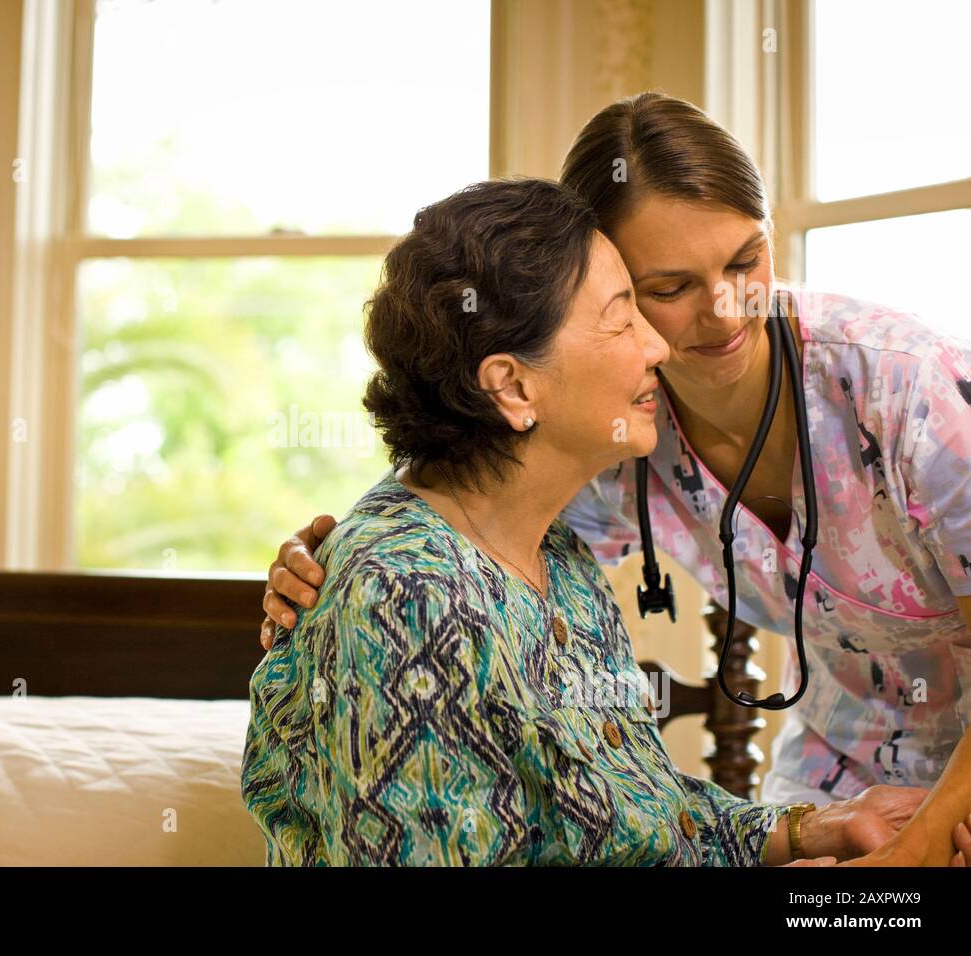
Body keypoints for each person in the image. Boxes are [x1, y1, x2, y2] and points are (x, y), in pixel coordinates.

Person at [259, 93, 971, 866]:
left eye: (745, 259)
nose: (729, 312)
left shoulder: (908, 389)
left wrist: (898, 860)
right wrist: (341, 558)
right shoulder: (598, 445)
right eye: (656, 294)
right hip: (848, 772)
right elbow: (463, 507)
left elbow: (641, 813)